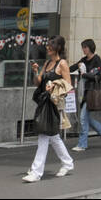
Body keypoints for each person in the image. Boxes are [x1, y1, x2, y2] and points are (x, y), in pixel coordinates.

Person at [23, 35, 75, 182]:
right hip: (44, 102)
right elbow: (38, 83)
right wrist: (35, 71)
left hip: (53, 104)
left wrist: (54, 85)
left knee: (44, 135)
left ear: (57, 48)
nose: (47, 48)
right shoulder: (47, 63)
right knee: (52, 135)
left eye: (50, 45)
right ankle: (67, 162)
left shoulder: (62, 63)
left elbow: (68, 85)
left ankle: (36, 171)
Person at [71, 39, 101, 150]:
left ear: (90, 47)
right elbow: (73, 67)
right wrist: (61, 69)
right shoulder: (83, 60)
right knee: (86, 118)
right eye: (82, 47)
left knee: (83, 117)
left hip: (92, 92)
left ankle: (82, 144)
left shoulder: (97, 60)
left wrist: (85, 75)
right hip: (83, 92)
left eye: (85, 47)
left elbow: (100, 76)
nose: (83, 50)